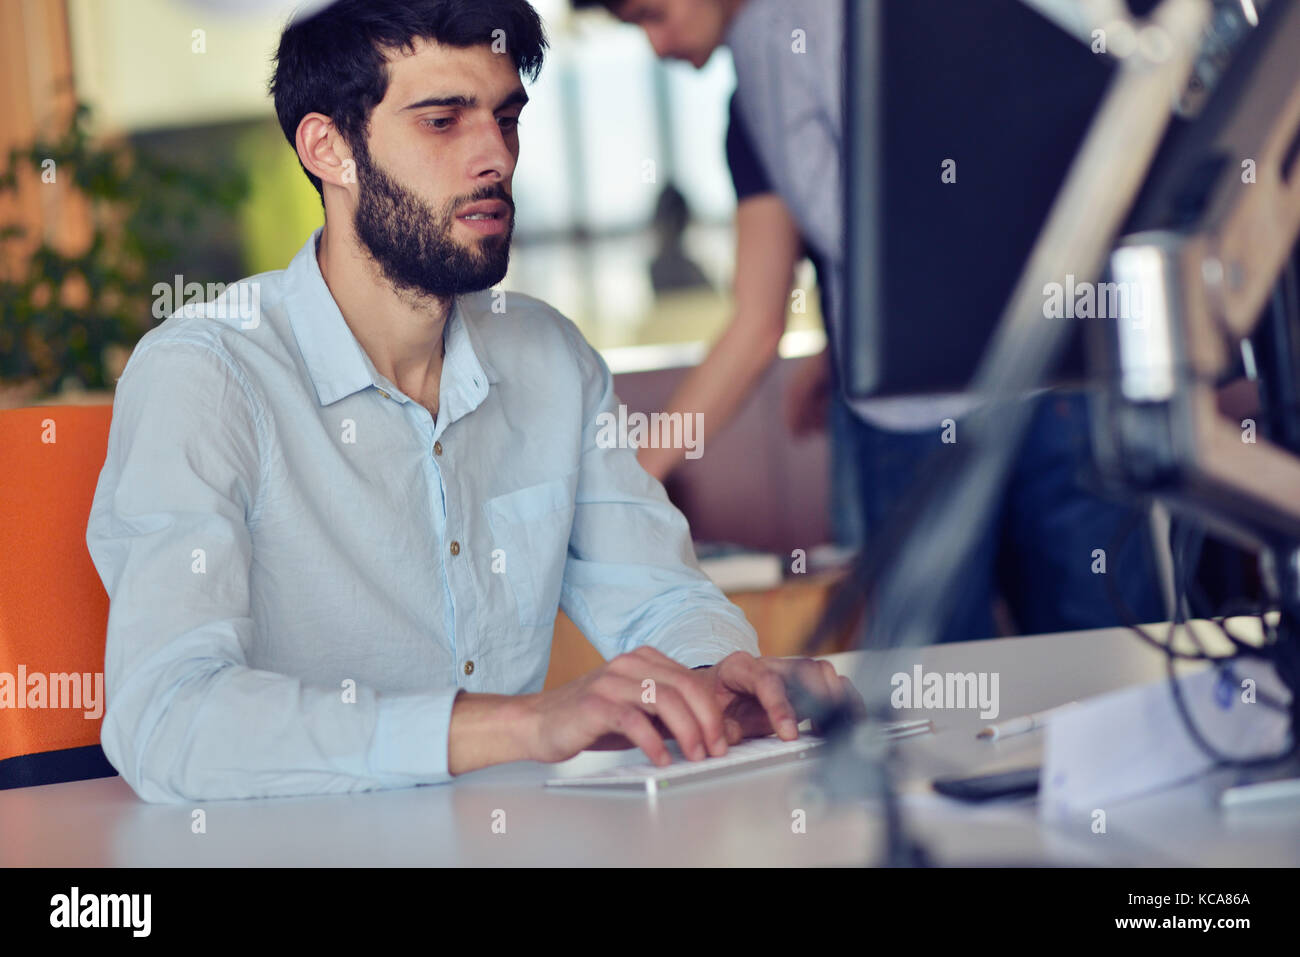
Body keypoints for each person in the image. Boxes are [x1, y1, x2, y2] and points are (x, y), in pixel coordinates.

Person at [85, 0, 859, 804]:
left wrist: (711, 678)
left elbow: (658, 594)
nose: (495, 155)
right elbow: (166, 717)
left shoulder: (550, 359)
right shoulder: (203, 377)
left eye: (506, 118)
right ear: (329, 148)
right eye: (442, 121)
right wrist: (514, 726)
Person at [576, 0, 1167, 641]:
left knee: (942, 692)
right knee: (1107, 655)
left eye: (651, 15)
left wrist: (624, 482)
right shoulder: (772, 94)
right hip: (1065, 373)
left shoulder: (767, 57)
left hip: (924, 415)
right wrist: (844, 346)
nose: (656, 46)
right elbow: (943, 209)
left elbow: (757, 326)